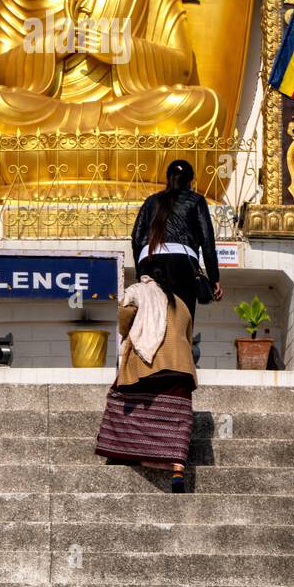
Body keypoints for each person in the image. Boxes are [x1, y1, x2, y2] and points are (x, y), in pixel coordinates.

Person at [95, 264, 197, 492]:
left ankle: (125, 452)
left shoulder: (139, 290)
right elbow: (188, 335)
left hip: (150, 363)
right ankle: (177, 466)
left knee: (121, 401)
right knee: (176, 418)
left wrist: (127, 331)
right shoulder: (180, 303)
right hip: (182, 367)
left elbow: (125, 313)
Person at [130, 158, 223, 316]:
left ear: (167, 178)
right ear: (191, 180)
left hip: (150, 261)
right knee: (182, 318)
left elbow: (137, 238)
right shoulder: (196, 201)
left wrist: (141, 272)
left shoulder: (151, 201)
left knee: (153, 319)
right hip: (183, 264)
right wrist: (214, 278)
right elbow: (207, 241)